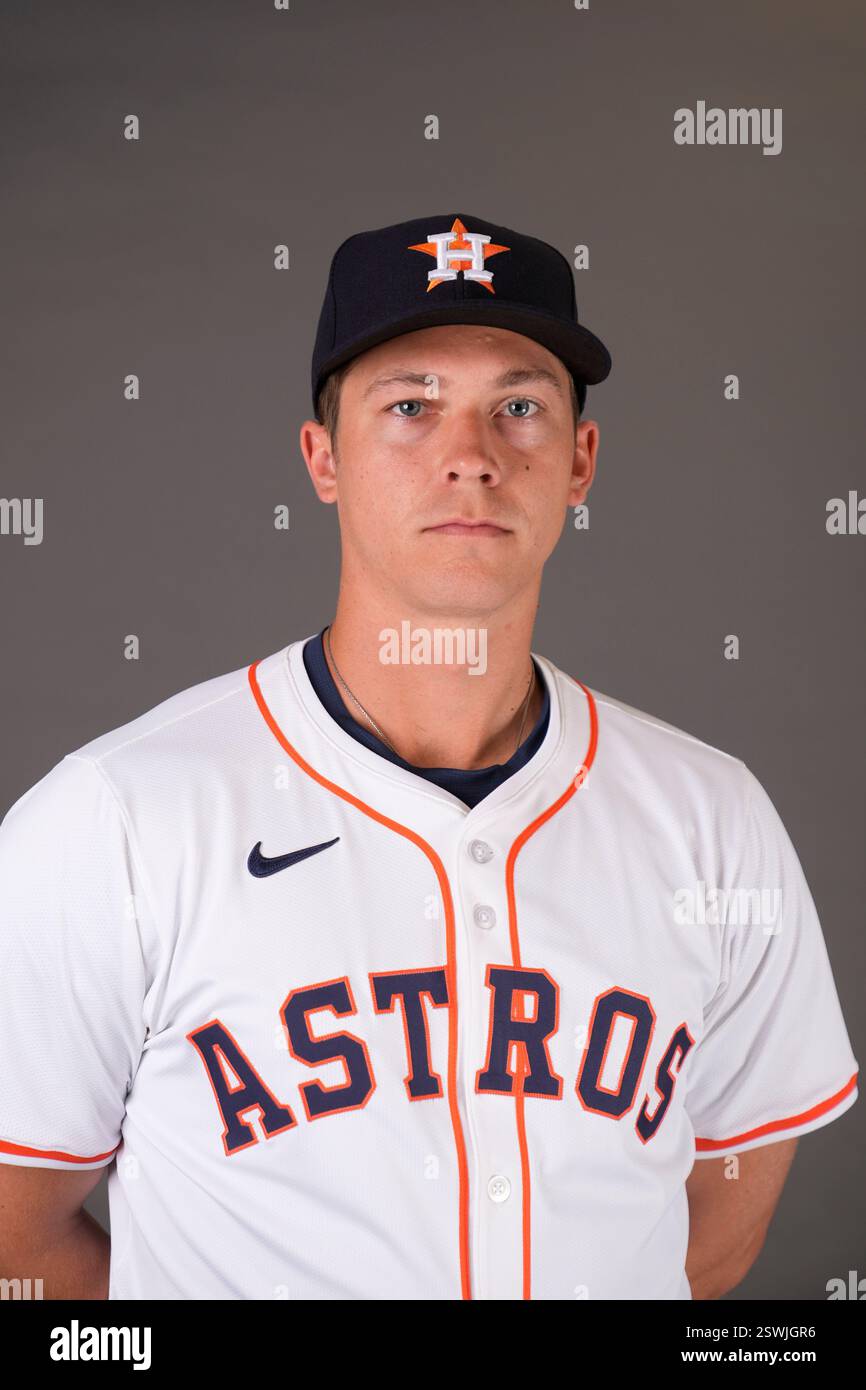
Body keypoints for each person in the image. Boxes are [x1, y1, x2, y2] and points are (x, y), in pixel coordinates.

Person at [0, 213, 857, 1300]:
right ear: (323, 458)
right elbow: (12, 1238)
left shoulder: (711, 819)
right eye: (408, 407)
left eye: (519, 407)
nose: (470, 457)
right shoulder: (115, 819)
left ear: (580, 460)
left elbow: (724, 1207)